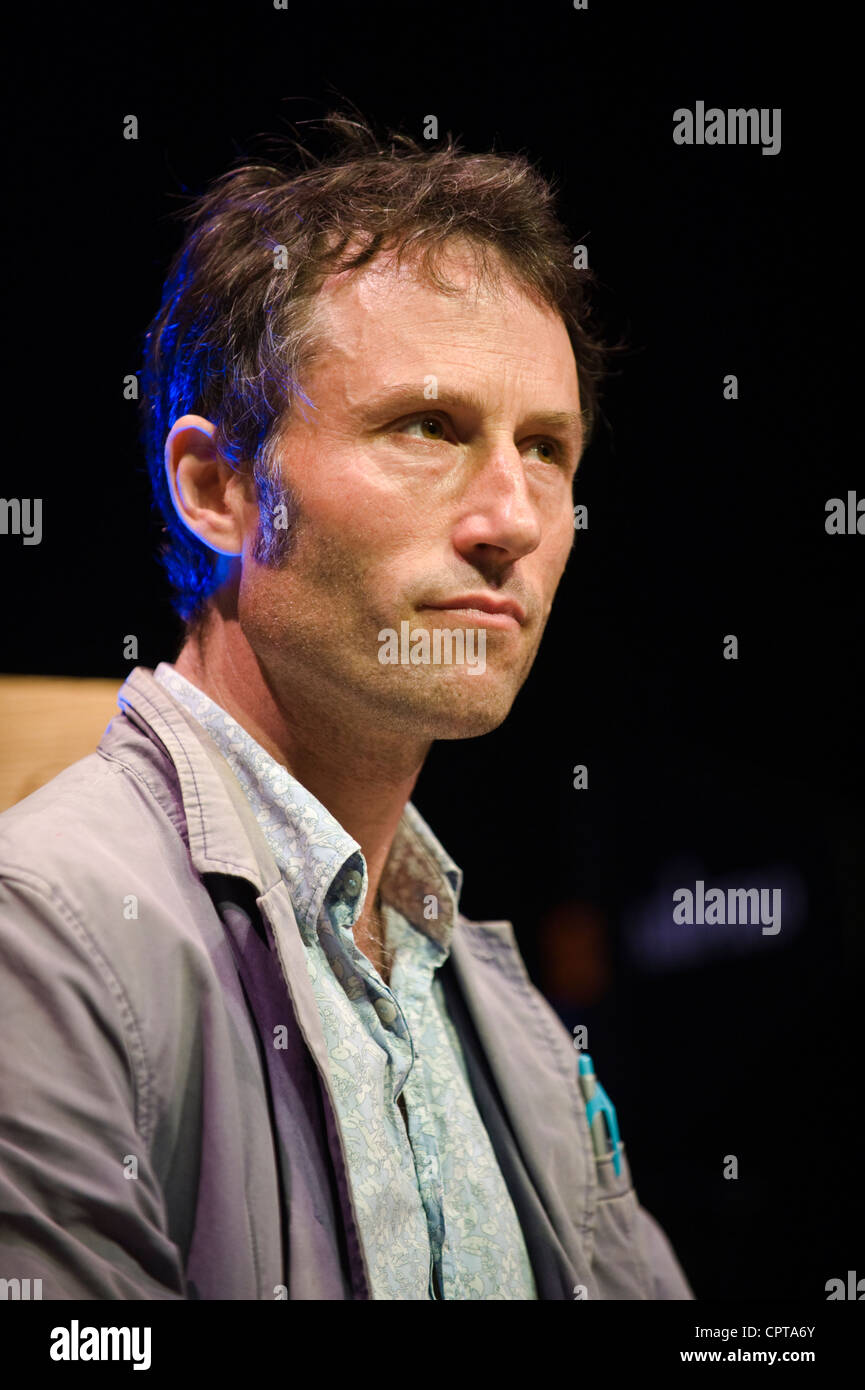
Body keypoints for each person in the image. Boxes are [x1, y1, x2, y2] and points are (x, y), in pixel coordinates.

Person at [0, 116, 693, 1300]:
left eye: (546, 448)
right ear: (219, 488)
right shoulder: (42, 940)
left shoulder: (502, 1011)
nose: (511, 518)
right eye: (428, 427)